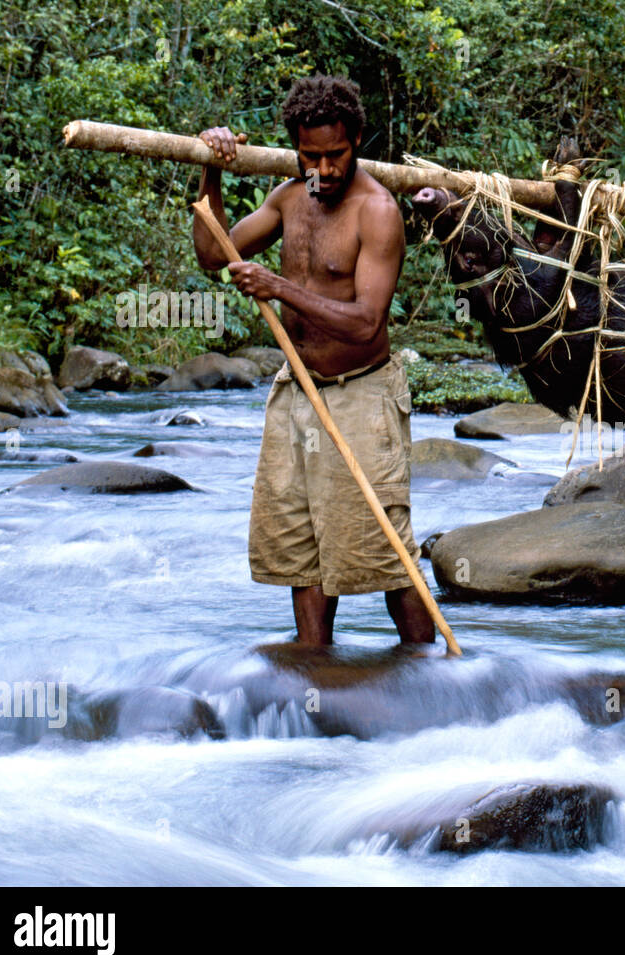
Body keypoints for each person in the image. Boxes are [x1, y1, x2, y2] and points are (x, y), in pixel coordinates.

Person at [192, 75, 434, 646]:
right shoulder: (287, 200)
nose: (323, 171)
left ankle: (430, 679)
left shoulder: (376, 212)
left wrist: (279, 287)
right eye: (309, 157)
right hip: (298, 390)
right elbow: (211, 251)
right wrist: (212, 167)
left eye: (336, 156)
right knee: (301, 546)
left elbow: (366, 321)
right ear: (294, 148)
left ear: (357, 141)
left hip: (362, 393)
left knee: (384, 547)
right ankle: (314, 664)